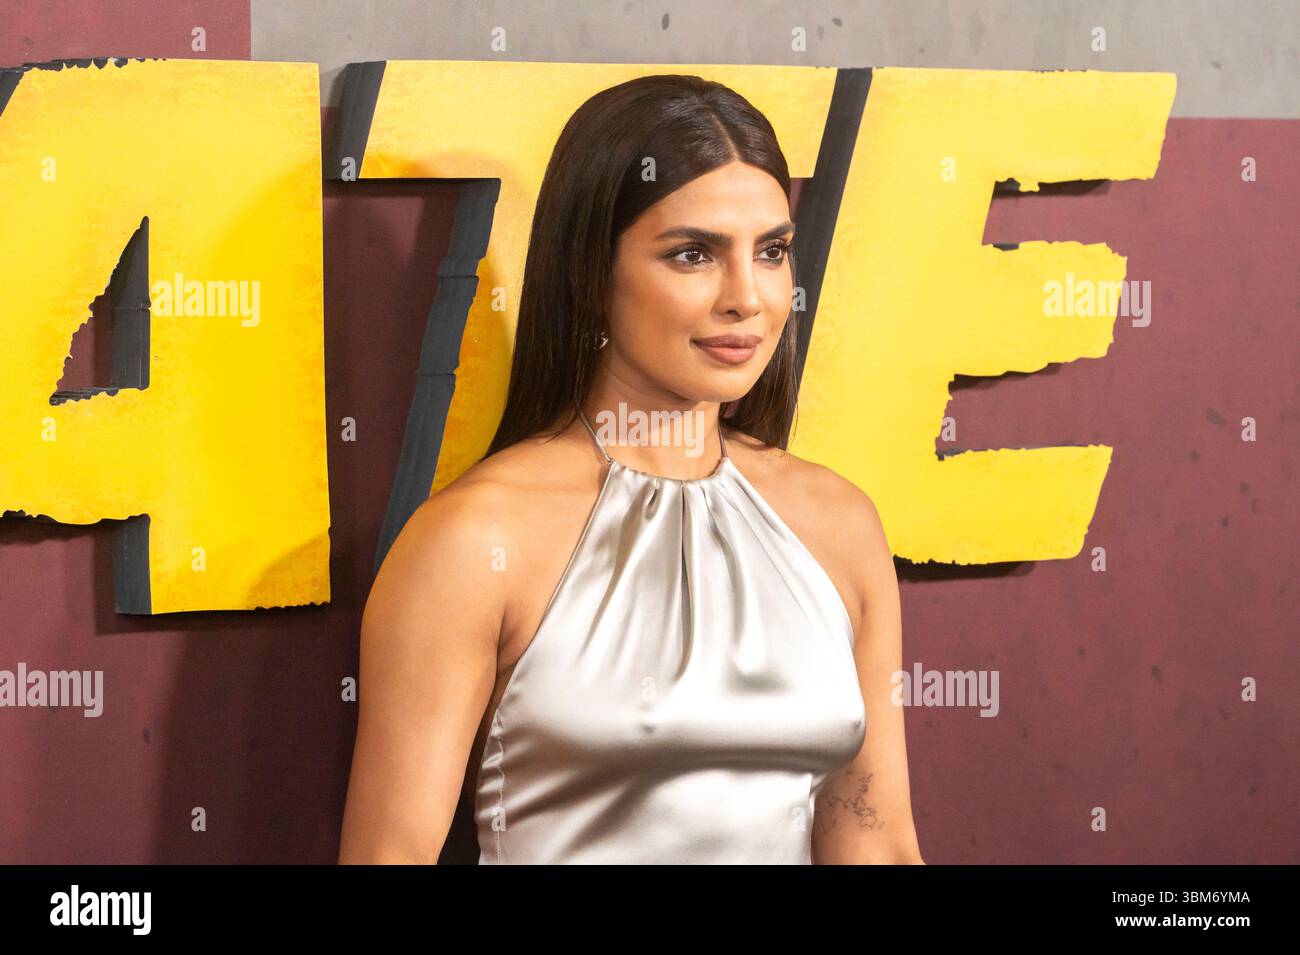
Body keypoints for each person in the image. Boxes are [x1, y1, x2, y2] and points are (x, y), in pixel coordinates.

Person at [339, 74, 923, 864]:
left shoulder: (841, 524)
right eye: (693, 254)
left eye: (773, 251)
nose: (747, 298)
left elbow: (876, 841)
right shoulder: (474, 540)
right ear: (591, 270)